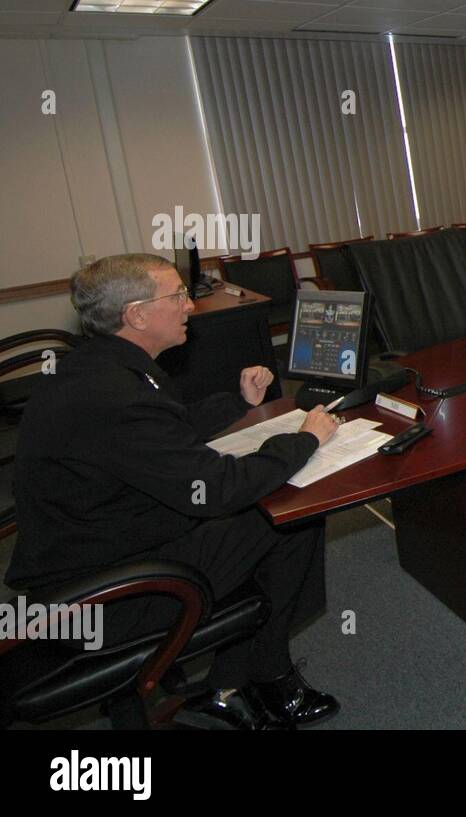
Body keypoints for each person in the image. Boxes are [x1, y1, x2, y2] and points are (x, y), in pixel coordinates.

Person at [6, 253, 341, 730]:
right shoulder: (115, 396)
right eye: (177, 296)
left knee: (275, 507)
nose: (190, 305)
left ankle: (234, 677)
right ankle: (262, 675)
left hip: (92, 549)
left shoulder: (97, 367)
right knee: (288, 510)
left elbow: (166, 429)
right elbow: (218, 488)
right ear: (137, 315)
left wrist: (237, 404)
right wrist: (304, 439)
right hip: (109, 595)